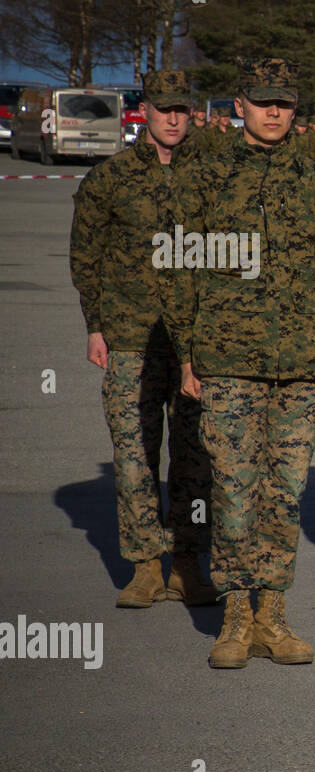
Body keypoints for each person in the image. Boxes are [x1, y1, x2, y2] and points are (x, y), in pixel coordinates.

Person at [163, 57, 315, 669]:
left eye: (286, 102)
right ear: (239, 103)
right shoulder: (206, 177)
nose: (275, 111)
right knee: (235, 489)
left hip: (298, 364)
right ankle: (236, 613)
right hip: (227, 361)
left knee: (286, 490)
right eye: (263, 100)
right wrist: (189, 353)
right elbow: (179, 267)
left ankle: (274, 611)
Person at [69, 69, 216, 610]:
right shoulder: (111, 179)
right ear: (145, 112)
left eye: (182, 109)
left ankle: (187, 562)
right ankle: (144, 565)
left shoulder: (212, 175)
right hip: (130, 337)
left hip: (195, 343)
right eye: (163, 109)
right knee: (134, 456)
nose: (174, 119)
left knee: (194, 457)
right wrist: (95, 325)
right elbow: (86, 253)